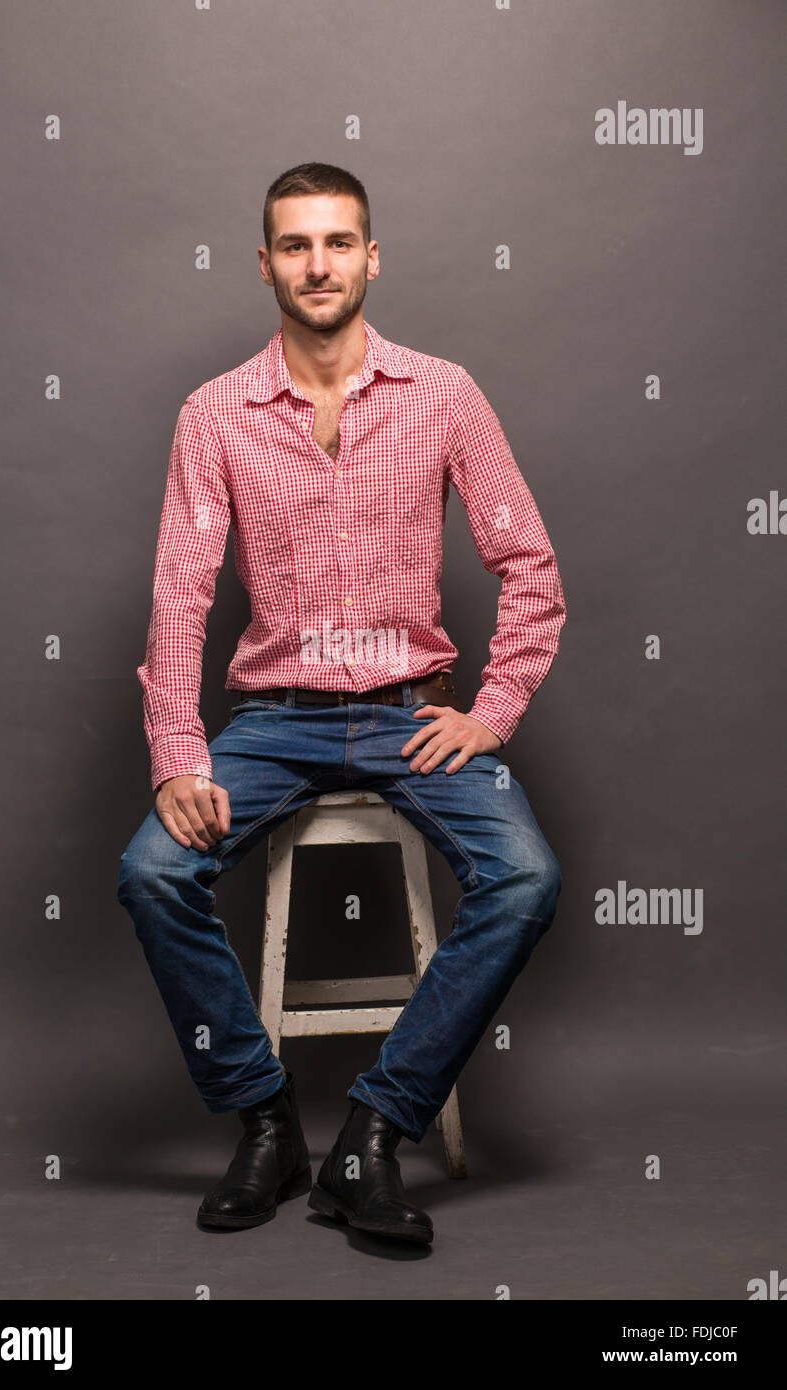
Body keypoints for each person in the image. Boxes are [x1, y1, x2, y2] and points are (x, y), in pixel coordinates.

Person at [116, 161, 566, 1246]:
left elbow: (529, 563)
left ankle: (370, 1130)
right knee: (150, 871)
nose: (317, 264)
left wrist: (493, 711)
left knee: (526, 877)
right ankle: (265, 1122)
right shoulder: (214, 413)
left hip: (416, 713)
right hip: (275, 719)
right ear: (264, 262)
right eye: (295, 244)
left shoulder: (444, 395)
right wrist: (177, 748)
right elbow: (181, 591)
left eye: (337, 241)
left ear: (372, 256)